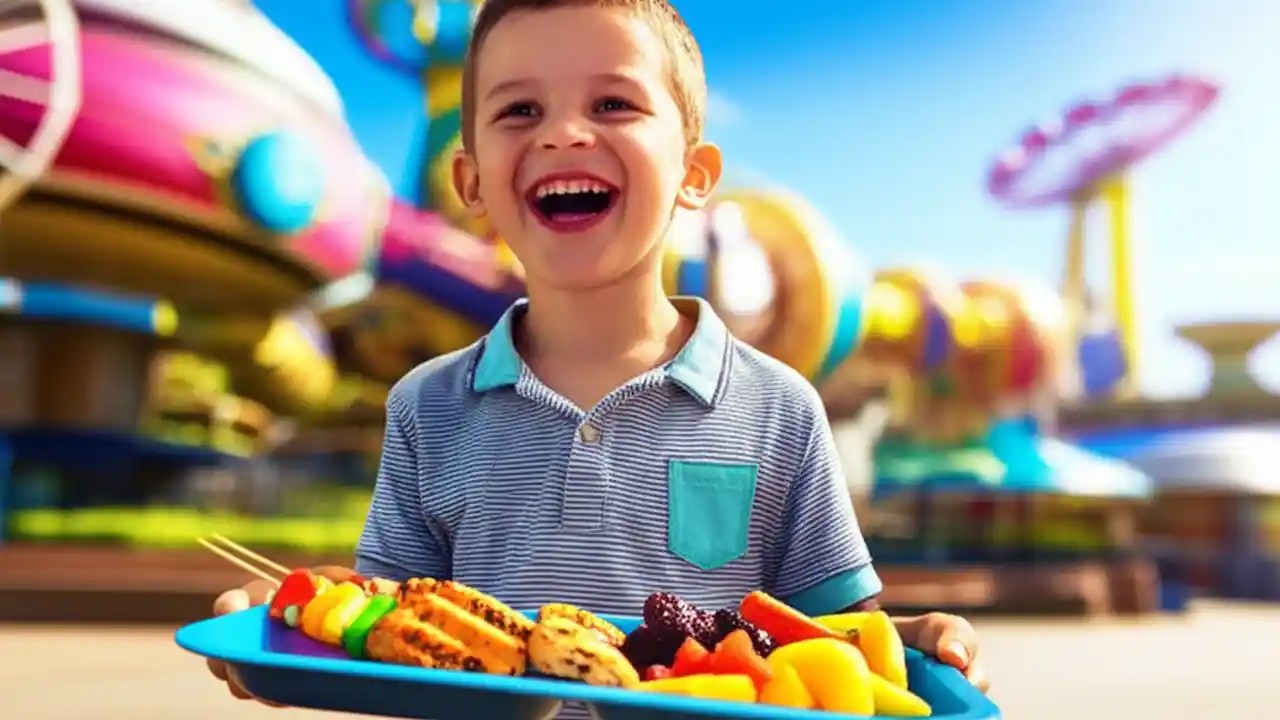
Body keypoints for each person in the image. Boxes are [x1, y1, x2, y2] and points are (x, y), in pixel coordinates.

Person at [208, 0, 990, 708]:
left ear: (694, 175)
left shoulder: (779, 408)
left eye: (613, 103)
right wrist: (292, 620)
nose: (561, 133)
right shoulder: (427, 405)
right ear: (470, 182)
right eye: (520, 110)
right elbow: (391, 619)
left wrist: (910, 640)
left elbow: (832, 643)